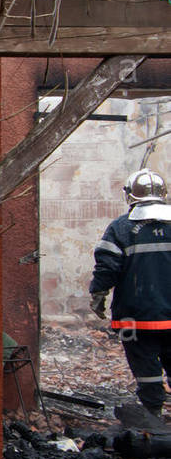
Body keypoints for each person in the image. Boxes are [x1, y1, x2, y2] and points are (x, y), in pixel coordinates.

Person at [89, 167, 171, 427]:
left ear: (130, 196)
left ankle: (153, 417)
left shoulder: (121, 228)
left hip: (135, 319)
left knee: (146, 368)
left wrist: (98, 295)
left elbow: (107, 268)